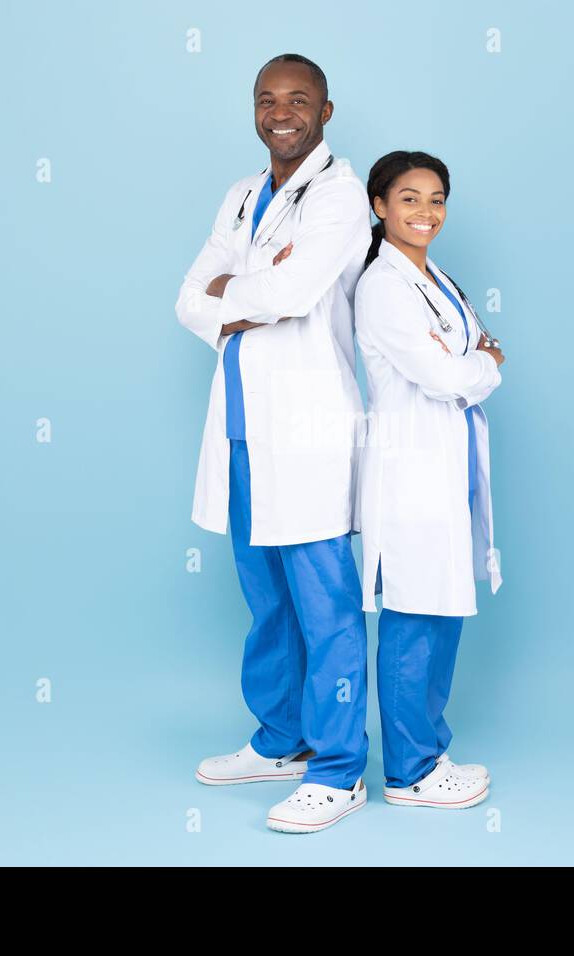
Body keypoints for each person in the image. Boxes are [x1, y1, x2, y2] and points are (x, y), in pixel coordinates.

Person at [173, 54, 372, 833]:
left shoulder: (342, 196)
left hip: (310, 430)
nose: (279, 112)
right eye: (266, 99)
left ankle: (339, 768)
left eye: (298, 100)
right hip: (242, 430)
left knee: (326, 608)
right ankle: (282, 740)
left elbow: (291, 295)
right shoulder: (242, 194)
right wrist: (239, 293)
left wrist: (236, 290)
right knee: (267, 602)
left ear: (327, 111)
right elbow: (187, 297)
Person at [353, 150, 505, 810]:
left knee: (443, 612)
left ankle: (429, 752)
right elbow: (449, 374)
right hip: (411, 468)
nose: (426, 211)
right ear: (379, 206)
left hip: (448, 464)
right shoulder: (383, 286)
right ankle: (410, 771)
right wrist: (485, 364)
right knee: (415, 615)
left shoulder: (433, 276)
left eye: (437, 198)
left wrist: (469, 358)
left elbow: (463, 354)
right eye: (409, 198)